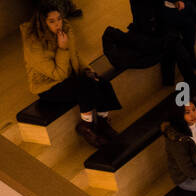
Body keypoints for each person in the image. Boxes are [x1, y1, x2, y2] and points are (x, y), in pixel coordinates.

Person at [21, 5, 122, 149]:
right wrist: (63, 48)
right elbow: (58, 74)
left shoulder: (64, 29)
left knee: (101, 82)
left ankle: (103, 121)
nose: (57, 24)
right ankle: (86, 126)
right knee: (84, 86)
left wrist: (88, 71)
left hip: (68, 77)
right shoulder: (34, 45)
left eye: (59, 19)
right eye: (52, 21)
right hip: (49, 86)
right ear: (42, 23)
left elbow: (74, 55)